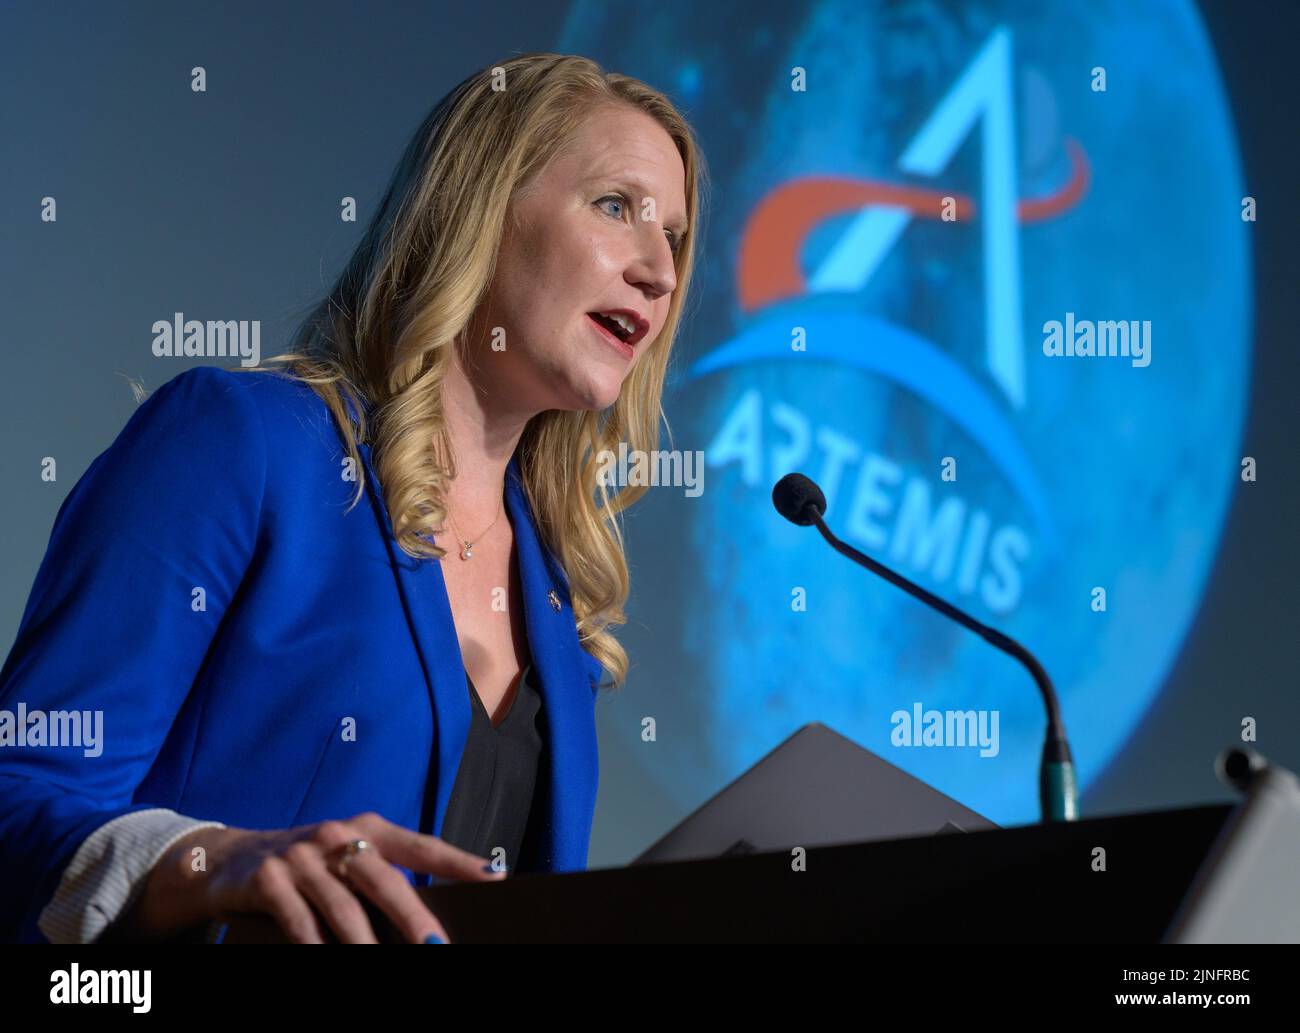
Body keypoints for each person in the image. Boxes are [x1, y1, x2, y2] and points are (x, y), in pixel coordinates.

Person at [0, 51, 704, 944]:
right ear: (481, 208)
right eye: (616, 207)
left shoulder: (564, 619)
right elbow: (20, 791)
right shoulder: (244, 443)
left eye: (675, 237)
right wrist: (212, 859)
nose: (660, 270)